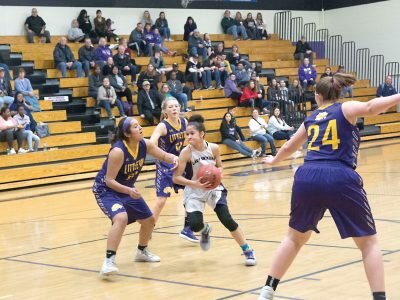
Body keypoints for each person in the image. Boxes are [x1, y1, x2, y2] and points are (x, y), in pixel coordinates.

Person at [258, 73, 395, 300]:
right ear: (338, 93)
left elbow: (290, 146)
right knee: (369, 243)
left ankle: (267, 290)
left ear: (317, 96)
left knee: (294, 238)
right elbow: (371, 107)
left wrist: (273, 161)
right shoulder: (345, 109)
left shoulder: (311, 117)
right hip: (339, 176)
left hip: (307, 175)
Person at [93, 117, 179, 277]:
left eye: (139, 125)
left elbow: (162, 155)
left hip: (127, 189)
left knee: (149, 221)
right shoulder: (118, 151)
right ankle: (109, 261)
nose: (140, 128)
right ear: (127, 133)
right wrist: (128, 190)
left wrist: (173, 158)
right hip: (106, 190)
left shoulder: (144, 144)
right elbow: (109, 181)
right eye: (135, 126)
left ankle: (142, 251)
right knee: (121, 218)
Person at [173, 114, 257, 266]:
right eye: (187, 134)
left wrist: (218, 173)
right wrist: (196, 184)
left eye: (192, 134)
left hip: (214, 189)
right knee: (195, 225)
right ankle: (205, 229)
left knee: (226, 219)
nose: (189, 137)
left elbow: (219, 166)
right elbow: (176, 178)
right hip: (194, 190)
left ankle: (247, 250)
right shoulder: (186, 152)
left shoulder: (214, 148)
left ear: (201, 134)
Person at [149, 98, 197, 242]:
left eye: (176, 106)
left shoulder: (184, 122)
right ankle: (148, 228)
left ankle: (187, 229)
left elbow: (192, 140)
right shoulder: (162, 126)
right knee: (161, 201)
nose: (174, 108)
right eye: (170, 107)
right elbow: (151, 145)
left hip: (180, 163)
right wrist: (166, 156)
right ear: (165, 111)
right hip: (165, 165)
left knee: (193, 193)